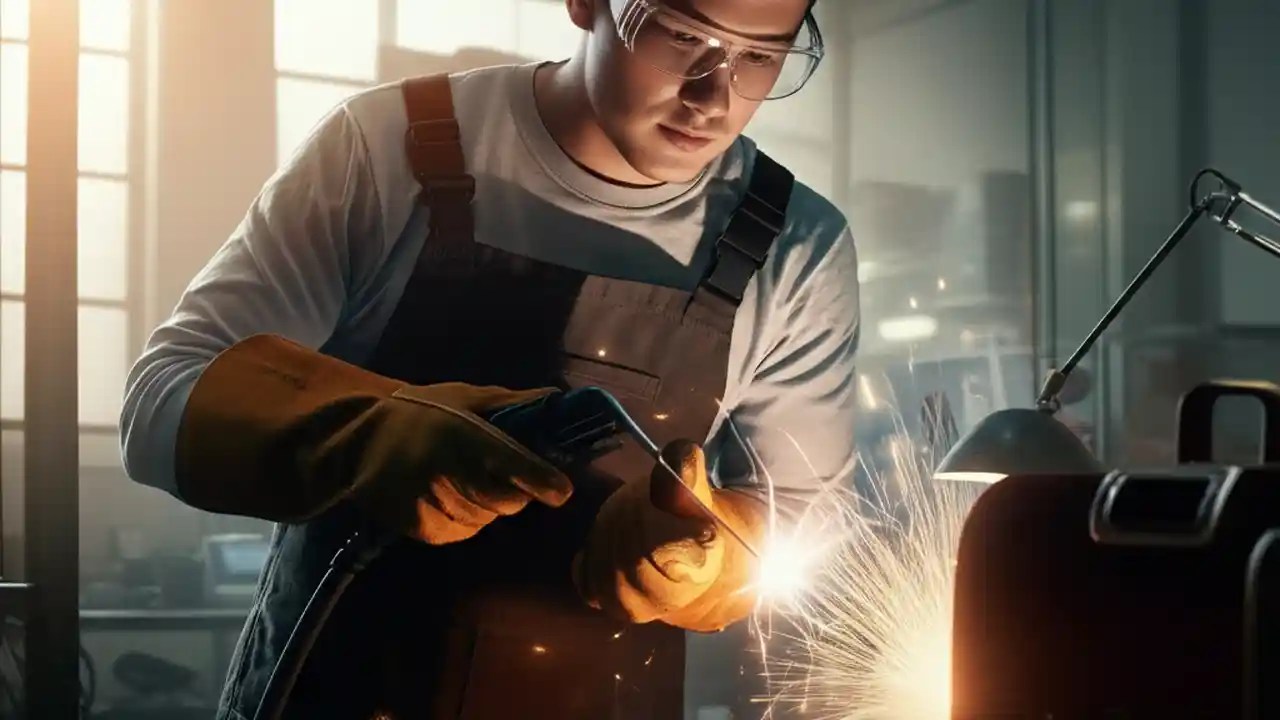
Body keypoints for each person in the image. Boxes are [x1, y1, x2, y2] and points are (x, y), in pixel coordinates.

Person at [120, 0, 859, 717]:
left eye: (762, 56)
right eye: (679, 34)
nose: (714, 96)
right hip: (333, 691)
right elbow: (162, 400)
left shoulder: (797, 247)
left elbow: (807, 529)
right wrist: (365, 434)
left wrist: (717, 559)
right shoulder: (387, 147)